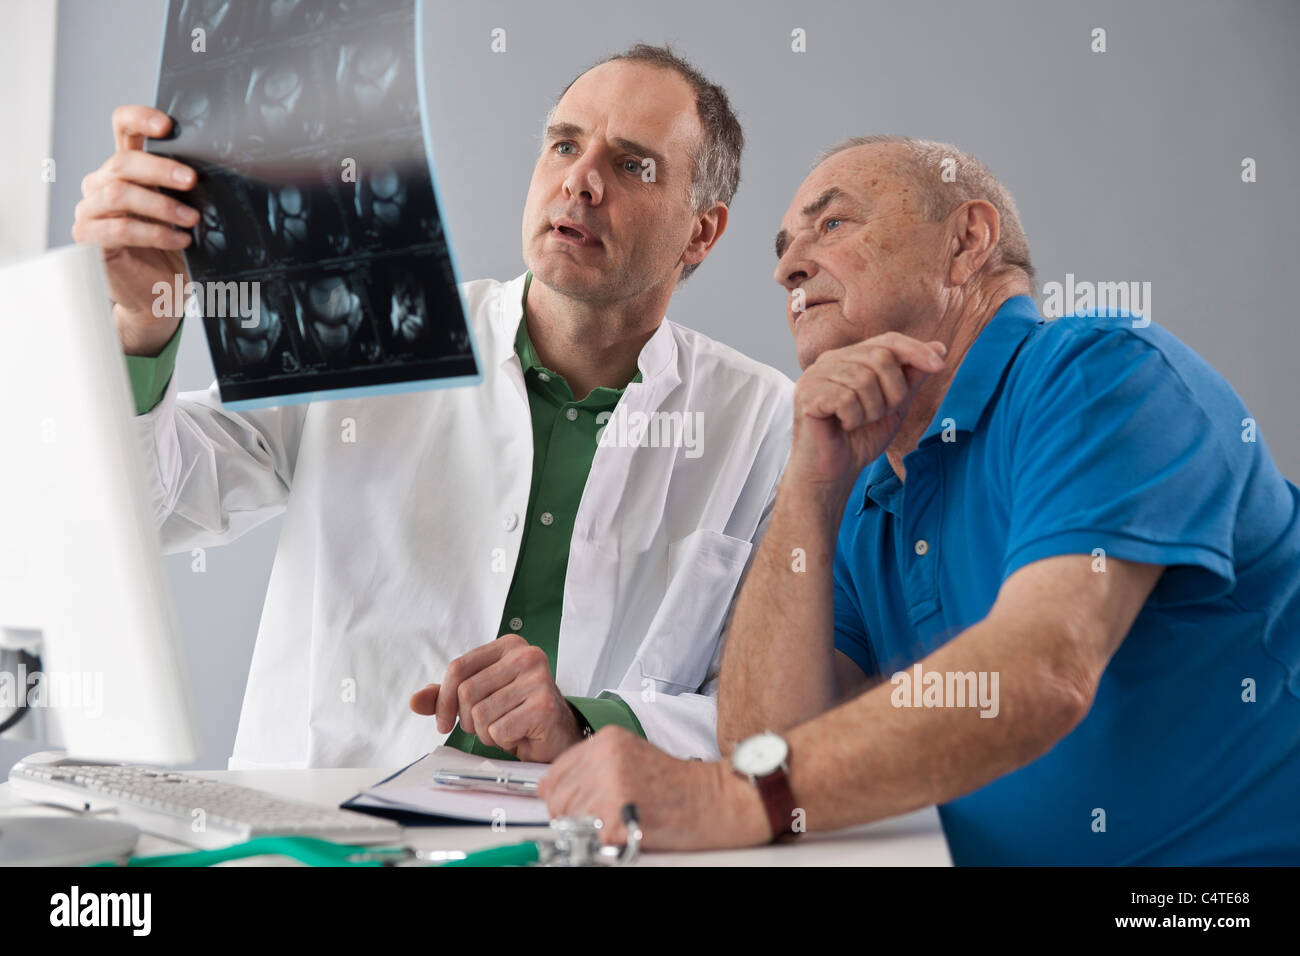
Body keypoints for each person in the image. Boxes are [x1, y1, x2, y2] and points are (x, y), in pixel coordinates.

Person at [538, 136, 1300, 865]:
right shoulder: (865, 492)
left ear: (967, 241)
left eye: (831, 222)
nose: (788, 270)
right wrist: (808, 485)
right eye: (781, 250)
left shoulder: (1098, 374)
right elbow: (768, 743)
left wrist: (733, 796)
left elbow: (1042, 672)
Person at [72, 44, 792, 769]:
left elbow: (770, 716)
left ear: (702, 230)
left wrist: (584, 723)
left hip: (575, 838)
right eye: (565, 144)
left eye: (632, 165)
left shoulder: (763, 422)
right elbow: (151, 510)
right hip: (323, 830)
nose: (580, 180)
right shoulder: (373, 332)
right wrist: (140, 328)